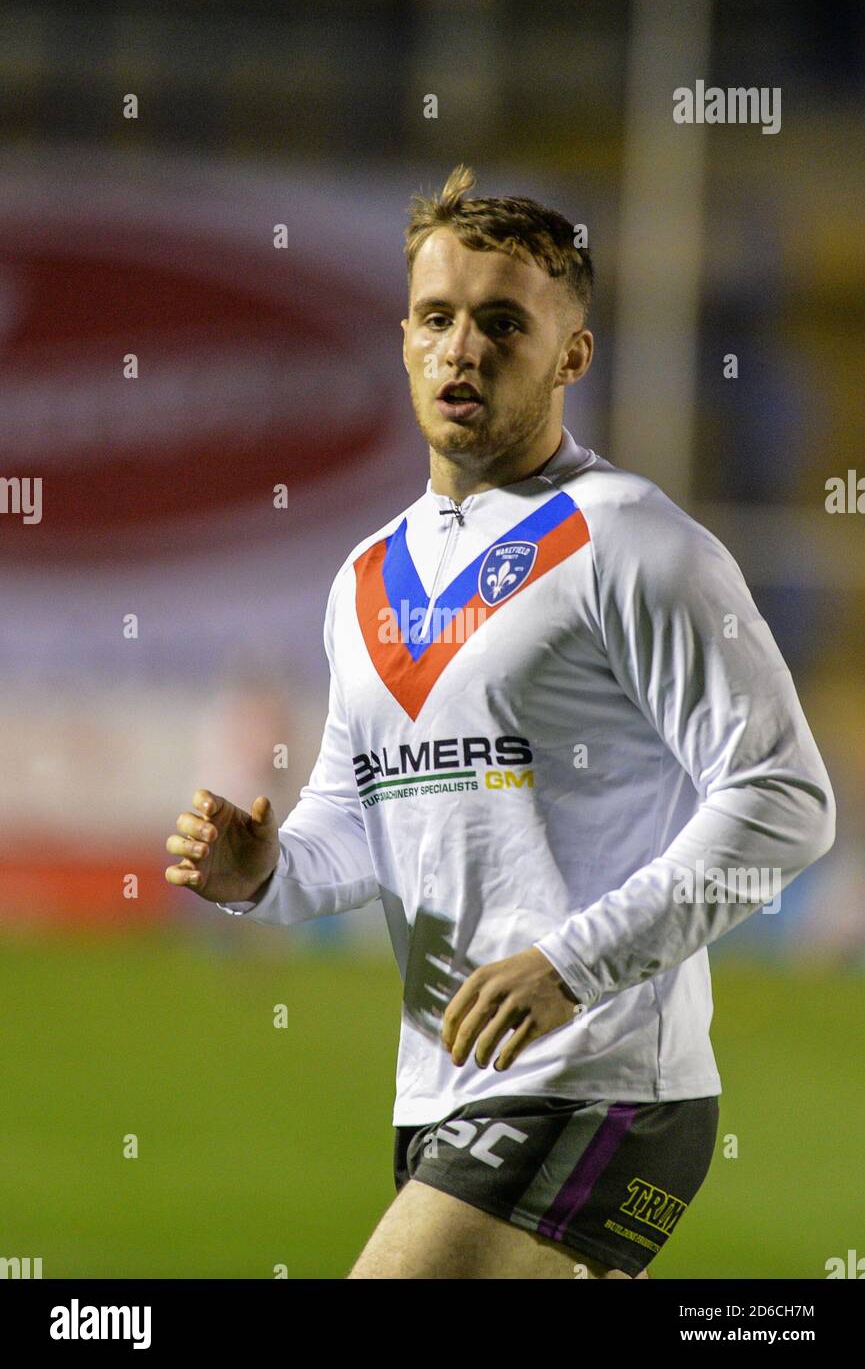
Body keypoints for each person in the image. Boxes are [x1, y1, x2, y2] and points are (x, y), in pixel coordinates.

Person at [166, 165, 835, 1279]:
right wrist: (269, 871)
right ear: (403, 338)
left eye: (500, 323)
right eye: (436, 317)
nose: (461, 348)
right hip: (442, 1087)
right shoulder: (365, 576)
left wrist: (571, 964)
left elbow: (785, 801)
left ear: (571, 356)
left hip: (597, 1077)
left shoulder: (632, 541)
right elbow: (357, 812)